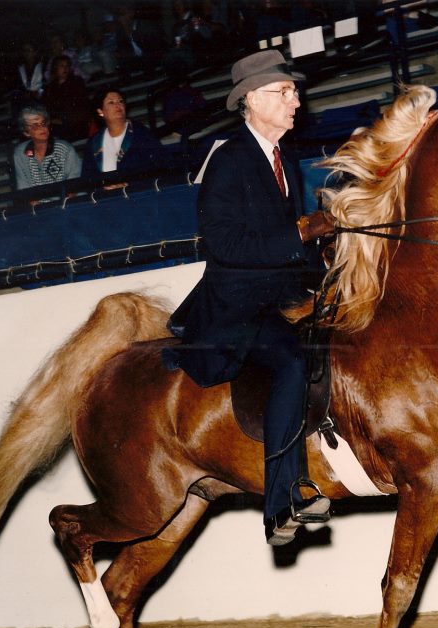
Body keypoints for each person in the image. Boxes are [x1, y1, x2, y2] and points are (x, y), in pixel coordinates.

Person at [166, 50, 335, 546]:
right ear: (253, 100)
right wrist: (300, 233)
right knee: (290, 361)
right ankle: (283, 502)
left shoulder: (285, 160)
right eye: (285, 92)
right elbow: (226, 245)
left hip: (276, 298)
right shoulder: (228, 160)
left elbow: (290, 250)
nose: (296, 101)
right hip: (235, 308)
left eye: (294, 92)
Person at [82, 88, 169, 179]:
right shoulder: (94, 142)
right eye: (111, 102)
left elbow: (160, 164)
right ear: (100, 111)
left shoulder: (141, 133)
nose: (118, 105)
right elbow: (87, 178)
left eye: (120, 101)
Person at [12, 105, 82, 190]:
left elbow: (75, 183)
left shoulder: (65, 149)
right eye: (35, 125)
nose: (42, 128)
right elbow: (23, 187)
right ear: (26, 132)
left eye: (43, 123)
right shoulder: (20, 154)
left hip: (66, 197)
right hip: (38, 198)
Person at [43, 55, 91, 142]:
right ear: (55, 68)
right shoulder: (50, 88)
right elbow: (47, 106)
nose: (65, 68)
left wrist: (64, 120)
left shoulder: (77, 82)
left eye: (67, 66)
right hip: (57, 123)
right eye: (61, 66)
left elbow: (81, 105)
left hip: (75, 123)